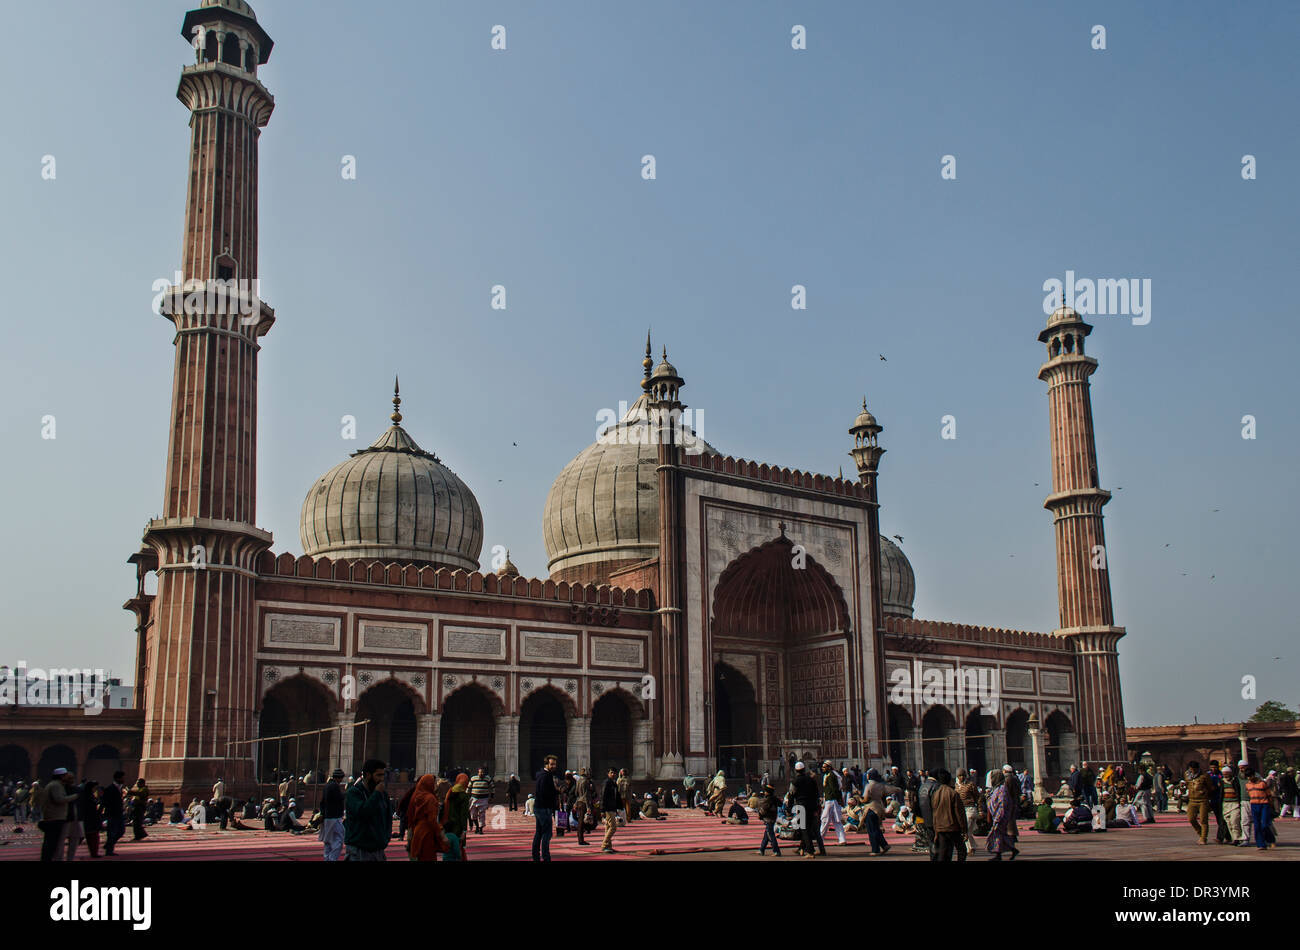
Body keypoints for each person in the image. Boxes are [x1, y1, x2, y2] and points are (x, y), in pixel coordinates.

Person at [344, 758, 392, 861]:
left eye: (383, 775)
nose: (381, 779)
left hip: (378, 849)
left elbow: (387, 818)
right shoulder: (355, 793)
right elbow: (363, 813)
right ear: (368, 775)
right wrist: (376, 794)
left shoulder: (383, 795)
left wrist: (385, 838)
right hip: (359, 849)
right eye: (378, 775)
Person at [405, 774, 450, 862]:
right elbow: (432, 820)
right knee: (428, 856)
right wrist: (441, 834)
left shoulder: (418, 796)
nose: (436, 785)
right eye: (434, 783)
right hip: (427, 831)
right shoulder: (430, 798)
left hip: (418, 830)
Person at [930, 769, 968, 862]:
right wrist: (964, 829)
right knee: (962, 850)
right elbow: (959, 813)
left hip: (940, 827)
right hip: (952, 826)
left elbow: (934, 812)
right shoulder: (953, 793)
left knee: (943, 852)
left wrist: (935, 828)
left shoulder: (935, 794)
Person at [40, 768, 75, 862]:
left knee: (51, 842)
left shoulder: (55, 785)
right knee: (51, 843)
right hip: (55, 818)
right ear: (62, 776)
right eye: (66, 775)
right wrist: (75, 796)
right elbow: (59, 799)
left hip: (53, 817)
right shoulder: (56, 785)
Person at [790, 761, 824, 858]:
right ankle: (802, 848)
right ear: (804, 769)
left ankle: (810, 851)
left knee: (804, 829)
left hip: (801, 805)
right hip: (812, 806)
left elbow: (791, 794)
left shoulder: (795, 781)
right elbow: (816, 793)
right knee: (808, 828)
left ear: (796, 770)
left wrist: (789, 807)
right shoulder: (811, 780)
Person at [985, 768, 1019, 860]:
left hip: (1001, 816)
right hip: (997, 815)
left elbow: (1002, 804)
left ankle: (999, 854)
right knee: (1001, 835)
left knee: (997, 834)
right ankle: (1009, 850)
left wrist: (998, 817)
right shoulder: (996, 788)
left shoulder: (1002, 789)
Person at [532, 754, 559, 862]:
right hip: (544, 808)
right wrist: (555, 792)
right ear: (546, 764)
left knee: (539, 833)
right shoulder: (546, 776)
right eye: (552, 764)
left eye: (555, 764)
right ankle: (546, 857)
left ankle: (536, 856)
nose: (554, 766)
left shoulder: (541, 775)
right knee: (547, 834)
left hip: (538, 807)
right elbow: (544, 792)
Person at [318, 769, 346, 861]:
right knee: (338, 841)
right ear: (338, 778)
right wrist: (347, 793)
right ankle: (332, 859)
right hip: (334, 817)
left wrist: (322, 814)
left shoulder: (327, 786)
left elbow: (322, 802)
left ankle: (327, 858)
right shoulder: (334, 786)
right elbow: (339, 798)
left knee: (328, 841)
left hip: (327, 817)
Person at [1244, 769, 1275, 851]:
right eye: (1248, 777)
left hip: (1264, 804)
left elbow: (1269, 795)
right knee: (1257, 825)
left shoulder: (1262, 783)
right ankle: (1261, 844)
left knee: (1264, 825)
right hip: (1254, 805)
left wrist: (1271, 805)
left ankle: (1270, 839)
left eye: (1250, 776)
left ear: (1254, 775)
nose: (1249, 778)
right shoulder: (1248, 785)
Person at [443, 773, 471, 860]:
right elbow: (463, 815)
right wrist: (464, 830)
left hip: (448, 824)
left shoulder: (450, 791)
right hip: (458, 826)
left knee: (449, 847)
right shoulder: (464, 796)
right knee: (458, 847)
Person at [819, 759, 847, 846]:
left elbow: (834, 789)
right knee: (836, 821)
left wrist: (839, 800)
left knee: (825, 820)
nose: (822, 768)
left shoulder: (831, 776)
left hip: (831, 801)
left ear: (829, 767)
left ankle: (820, 839)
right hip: (830, 800)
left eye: (824, 767)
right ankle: (842, 839)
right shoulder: (828, 775)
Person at [1184, 761, 1212, 845]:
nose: (1192, 771)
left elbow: (1210, 787)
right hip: (1192, 800)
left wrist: (1206, 794)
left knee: (1203, 820)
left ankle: (1203, 838)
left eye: (1194, 769)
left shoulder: (1204, 776)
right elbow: (1187, 785)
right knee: (1191, 819)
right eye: (1191, 769)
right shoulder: (1187, 775)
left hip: (1202, 800)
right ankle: (1200, 833)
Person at [753, 782, 781, 856]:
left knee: (770, 835)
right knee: (766, 835)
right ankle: (761, 849)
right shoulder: (774, 798)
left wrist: (760, 815)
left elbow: (764, 809)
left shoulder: (768, 799)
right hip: (773, 817)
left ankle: (776, 851)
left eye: (765, 791)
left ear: (768, 792)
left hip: (768, 818)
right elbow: (780, 804)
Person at [102, 771, 126, 856]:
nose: (124, 779)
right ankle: (109, 850)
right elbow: (104, 801)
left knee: (121, 831)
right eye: (122, 777)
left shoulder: (120, 788)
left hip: (119, 813)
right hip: (112, 814)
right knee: (111, 832)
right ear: (117, 778)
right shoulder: (110, 788)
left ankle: (108, 845)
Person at [78, 781, 103, 858]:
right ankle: (94, 852)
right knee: (92, 837)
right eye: (94, 788)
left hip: (90, 818)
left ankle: (94, 852)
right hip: (89, 818)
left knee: (91, 837)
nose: (95, 790)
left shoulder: (89, 796)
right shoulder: (87, 797)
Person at [468, 767, 493, 834]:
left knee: (482, 815)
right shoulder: (473, 778)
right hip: (474, 799)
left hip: (483, 799)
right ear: (478, 772)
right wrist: (467, 795)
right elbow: (469, 787)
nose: (481, 773)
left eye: (483, 772)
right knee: (473, 815)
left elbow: (492, 787)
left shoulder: (488, 779)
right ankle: (477, 826)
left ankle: (480, 829)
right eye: (480, 772)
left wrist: (492, 796)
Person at [600, 767, 620, 853]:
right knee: (613, 827)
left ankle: (608, 846)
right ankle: (604, 844)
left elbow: (615, 797)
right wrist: (602, 809)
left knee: (608, 827)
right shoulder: (607, 783)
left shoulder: (613, 783)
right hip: (608, 808)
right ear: (608, 773)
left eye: (614, 773)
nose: (613, 774)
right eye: (611, 772)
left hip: (612, 807)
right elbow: (603, 796)